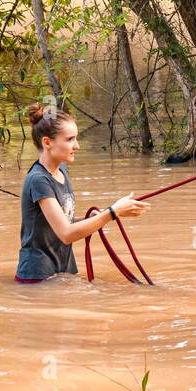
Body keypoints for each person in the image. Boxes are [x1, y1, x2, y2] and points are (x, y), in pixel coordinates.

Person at [16, 102, 149, 283]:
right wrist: (112, 212)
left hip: (62, 271)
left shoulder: (61, 170)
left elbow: (62, 223)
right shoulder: (39, 180)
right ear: (47, 142)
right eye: (70, 139)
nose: (77, 146)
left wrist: (92, 219)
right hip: (37, 277)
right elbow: (66, 233)